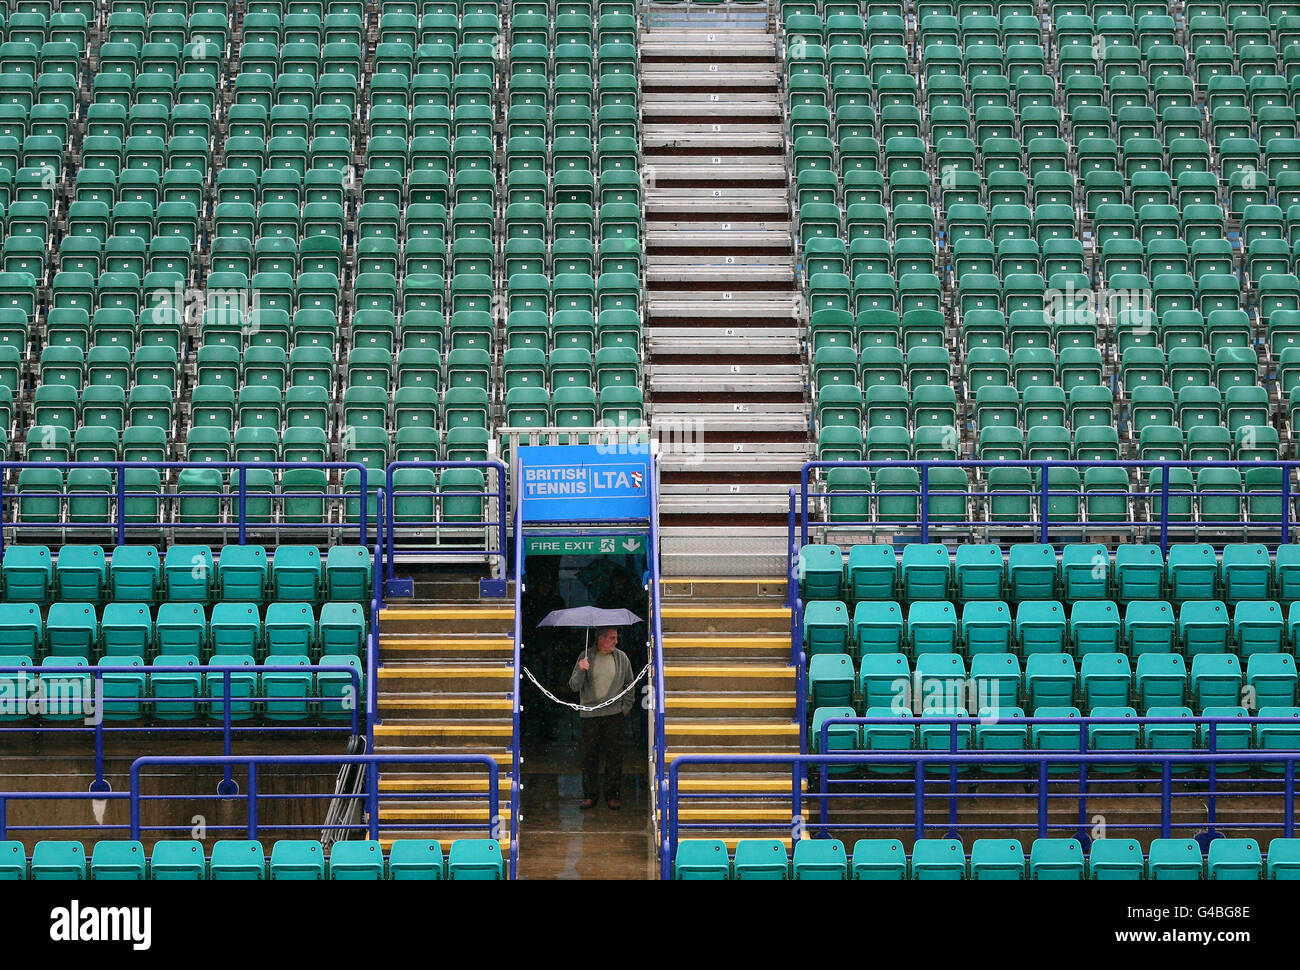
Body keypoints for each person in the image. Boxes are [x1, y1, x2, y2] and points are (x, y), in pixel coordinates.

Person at [568, 626, 635, 810]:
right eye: (612, 638)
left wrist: (625, 708)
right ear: (600, 638)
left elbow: (630, 684)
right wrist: (581, 669)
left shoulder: (622, 658)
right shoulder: (585, 656)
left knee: (614, 757)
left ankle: (613, 796)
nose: (616, 641)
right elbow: (574, 686)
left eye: (616, 637)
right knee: (589, 757)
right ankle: (590, 795)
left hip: (614, 715)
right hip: (589, 716)